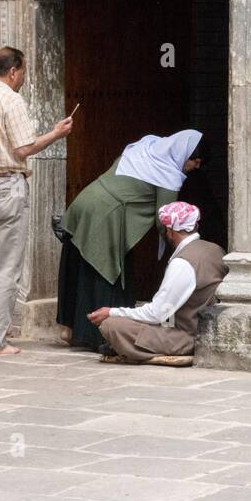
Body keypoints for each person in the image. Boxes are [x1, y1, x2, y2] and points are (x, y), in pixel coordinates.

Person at [0, 46, 73, 356]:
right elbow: (23, 149)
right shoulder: (11, 99)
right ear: (13, 71)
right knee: (7, 267)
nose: (23, 78)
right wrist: (56, 133)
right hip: (6, 185)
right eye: (23, 72)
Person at [56, 130, 203, 350]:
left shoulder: (144, 148)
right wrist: (184, 248)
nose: (196, 167)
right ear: (185, 156)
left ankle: (69, 329)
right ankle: (98, 336)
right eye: (195, 161)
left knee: (78, 267)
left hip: (84, 203)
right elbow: (165, 220)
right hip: (107, 215)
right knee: (105, 274)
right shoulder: (168, 174)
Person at [88, 201, 228, 366]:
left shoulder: (182, 263)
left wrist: (112, 312)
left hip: (185, 336)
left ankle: (148, 352)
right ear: (195, 225)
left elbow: (157, 313)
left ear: (170, 231)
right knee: (137, 318)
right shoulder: (216, 249)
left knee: (111, 325)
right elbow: (168, 310)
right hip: (196, 326)